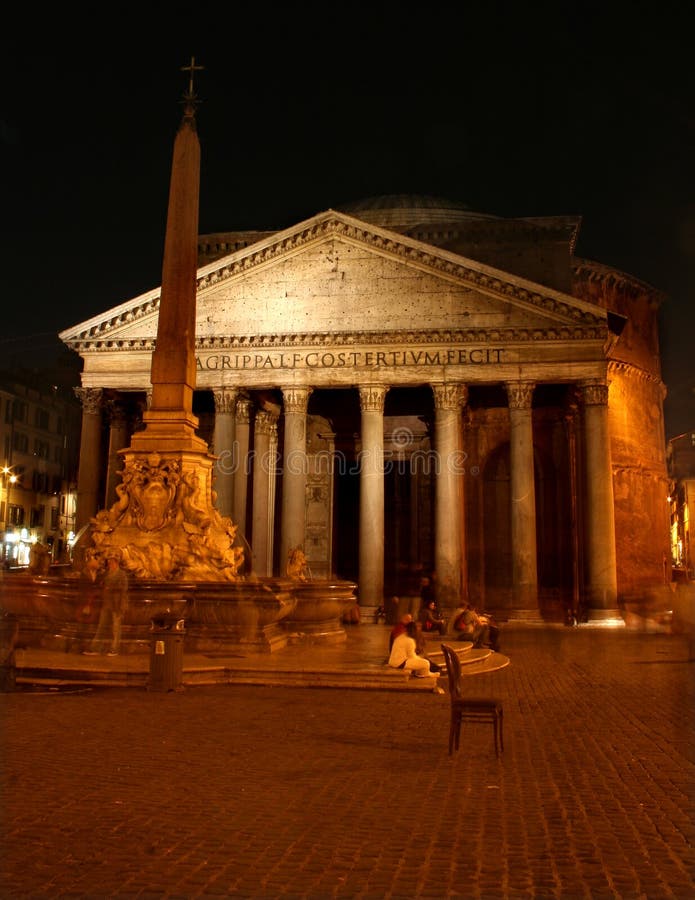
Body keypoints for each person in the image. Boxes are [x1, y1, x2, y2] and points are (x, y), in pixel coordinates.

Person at [83, 551, 129, 656]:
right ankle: (95, 648)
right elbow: (100, 583)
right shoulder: (107, 573)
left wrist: (111, 588)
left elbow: (124, 588)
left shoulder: (121, 574)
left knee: (116, 628)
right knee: (101, 626)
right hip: (106, 603)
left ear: (116, 563)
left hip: (117, 604)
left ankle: (114, 649)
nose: (109, 564)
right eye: (109, 562)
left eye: (111, 562)